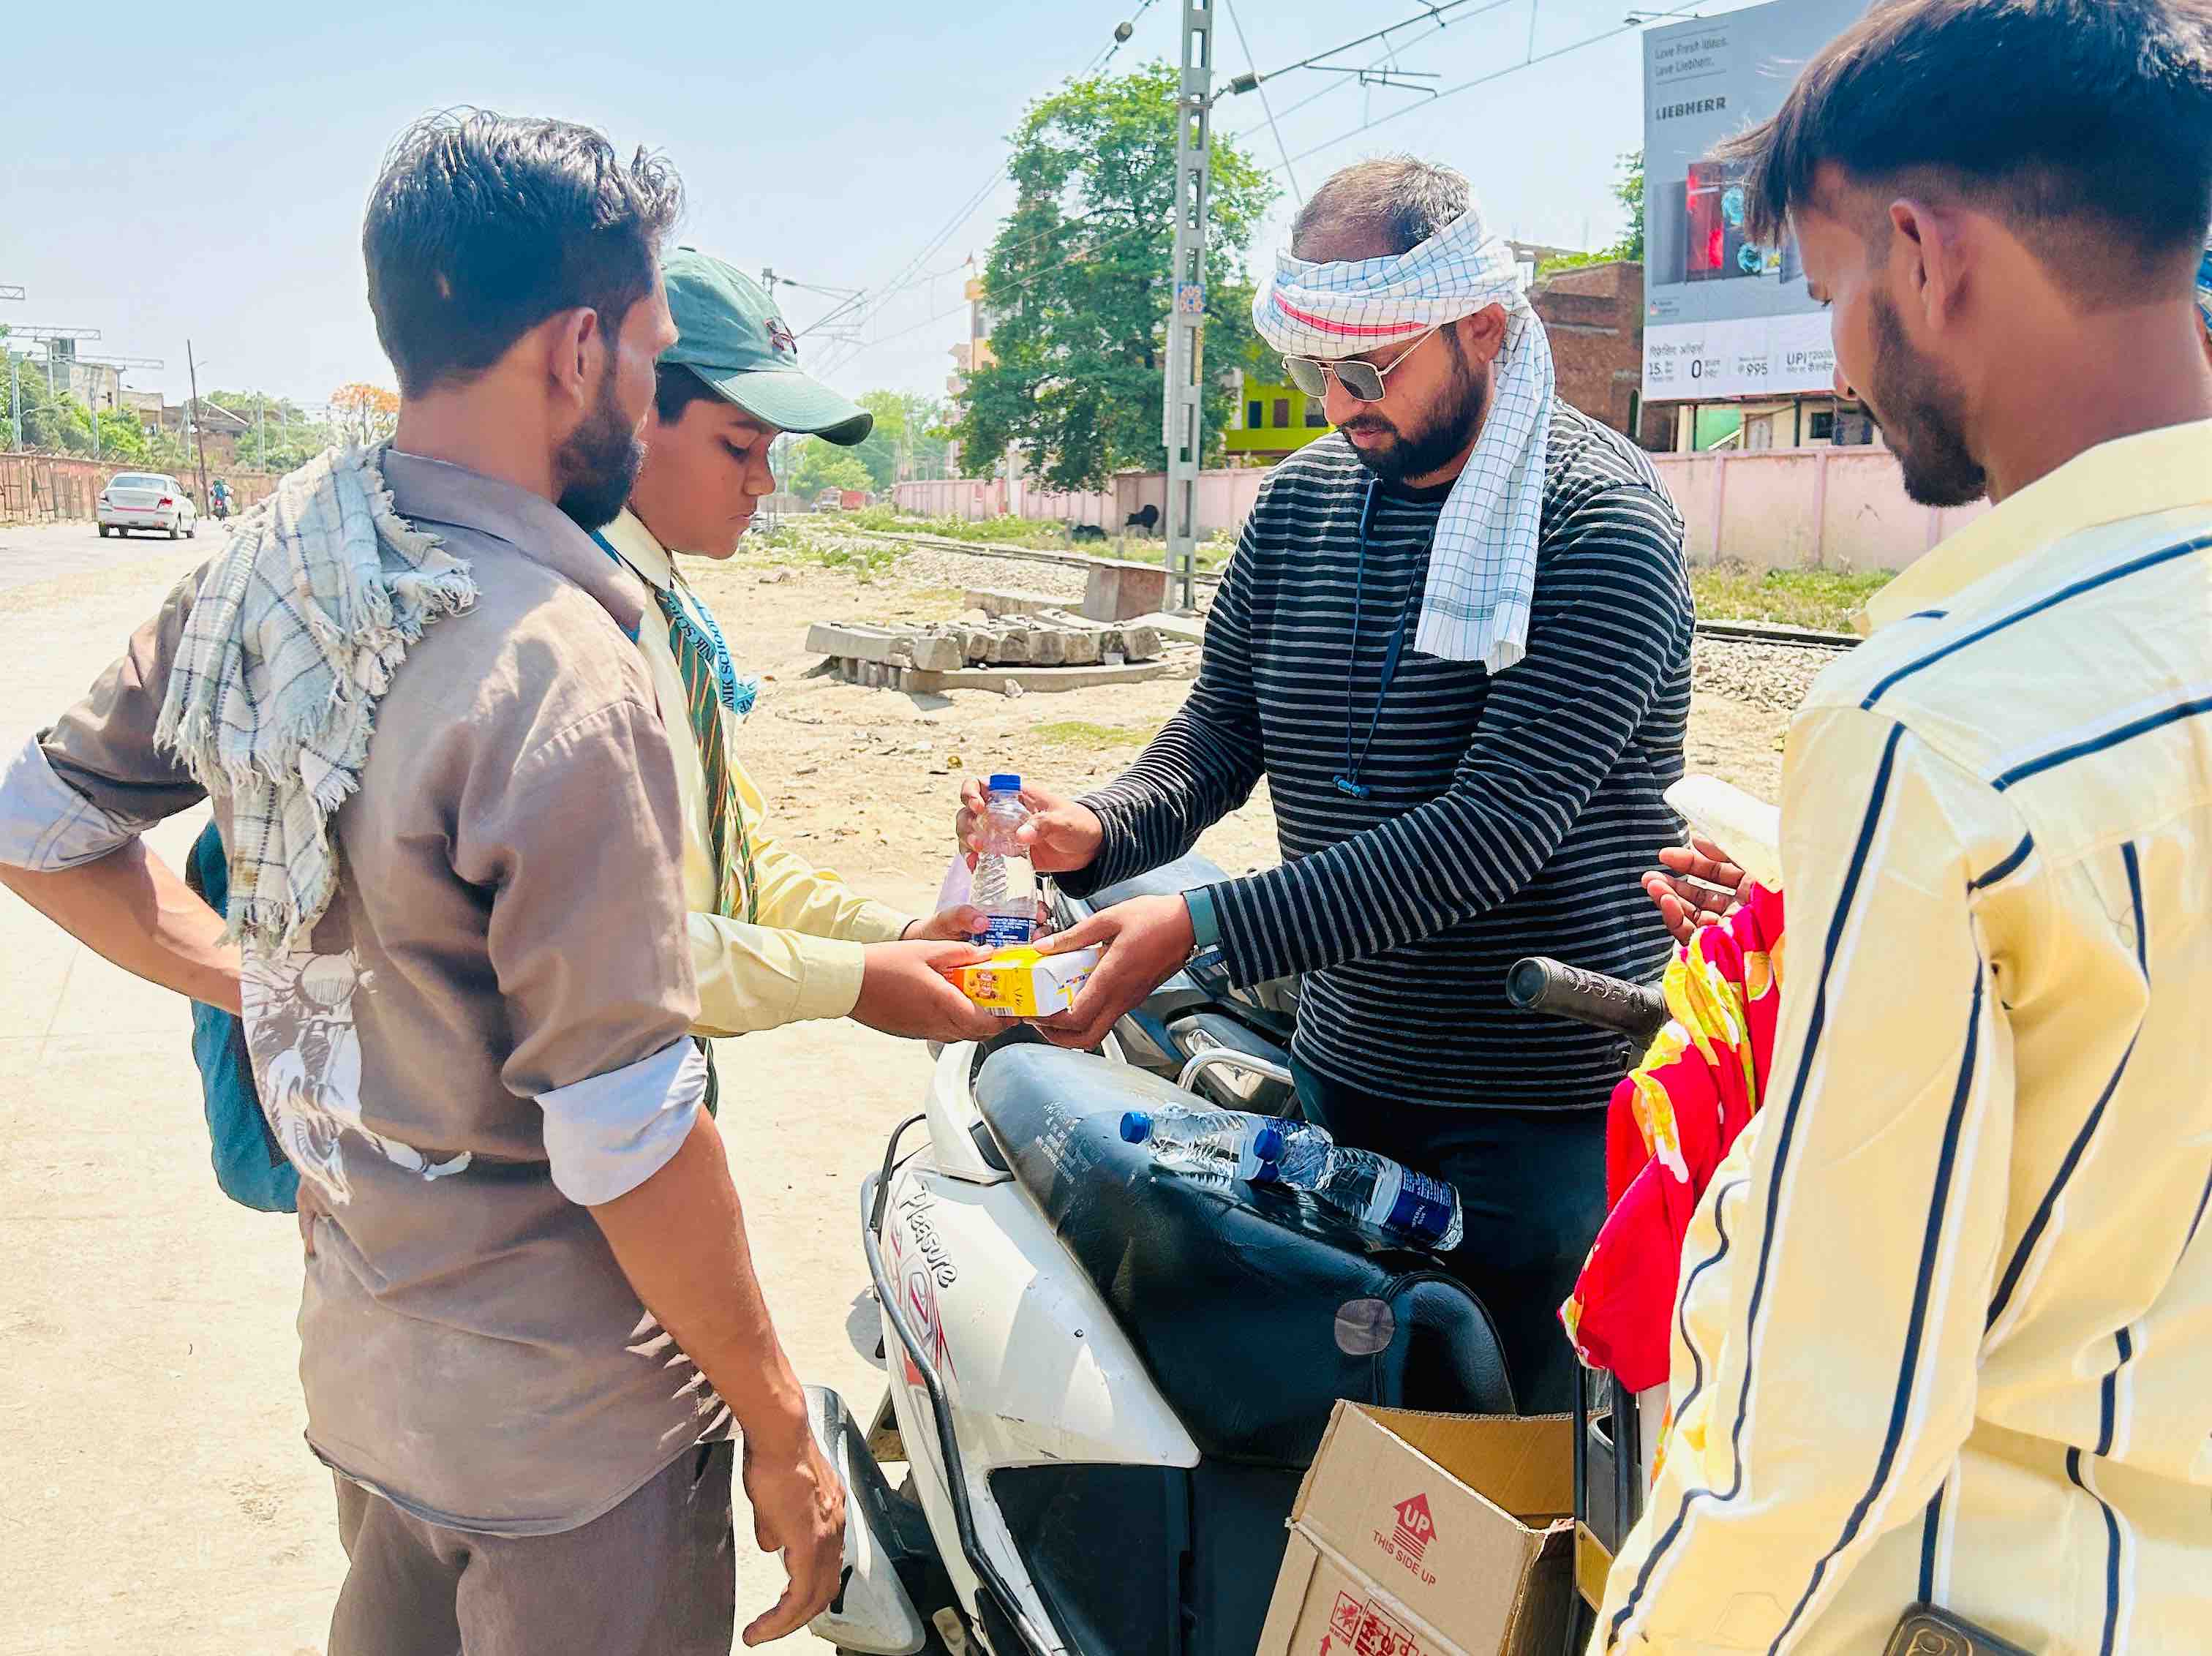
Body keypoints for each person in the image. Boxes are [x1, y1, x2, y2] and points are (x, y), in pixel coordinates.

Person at [0, 112, 840, 1653]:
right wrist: (779, 1422)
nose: (651, 396)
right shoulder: (563, 669)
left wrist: (250, 972)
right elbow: (627, 1133)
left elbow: (35, 823)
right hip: (572, 1445)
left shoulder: (274, 573)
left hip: (371, 1374)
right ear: (581, 349)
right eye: (655, 351)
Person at [1595, 3, 2212, 1652]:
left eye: (1828, 296)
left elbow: (1829, 1412)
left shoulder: (1933, 720)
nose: (1839, 360)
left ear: (1925, 257)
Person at [963, 157, 1693, 1411]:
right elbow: (1218, 730)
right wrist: (1095, 826)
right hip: (1348, 1064)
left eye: (1371, 370)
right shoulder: (1300, 503)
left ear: (1479, 325)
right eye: (1317, 369)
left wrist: (1199, 922)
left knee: (1525, 1464)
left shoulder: (1595, 525)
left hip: (1542, 1114)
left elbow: (1483, 837)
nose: (1338, 400)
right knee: (1362, 1437)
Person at [595, 246, 1001, 1053]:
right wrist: (855, 979)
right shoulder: (583, 627)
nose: (764, 483)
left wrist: (896, 935)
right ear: (636, 413)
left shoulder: (669, 612)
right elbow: (615, 951)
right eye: (737, 447)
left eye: (770, 451)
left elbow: (733, 854)